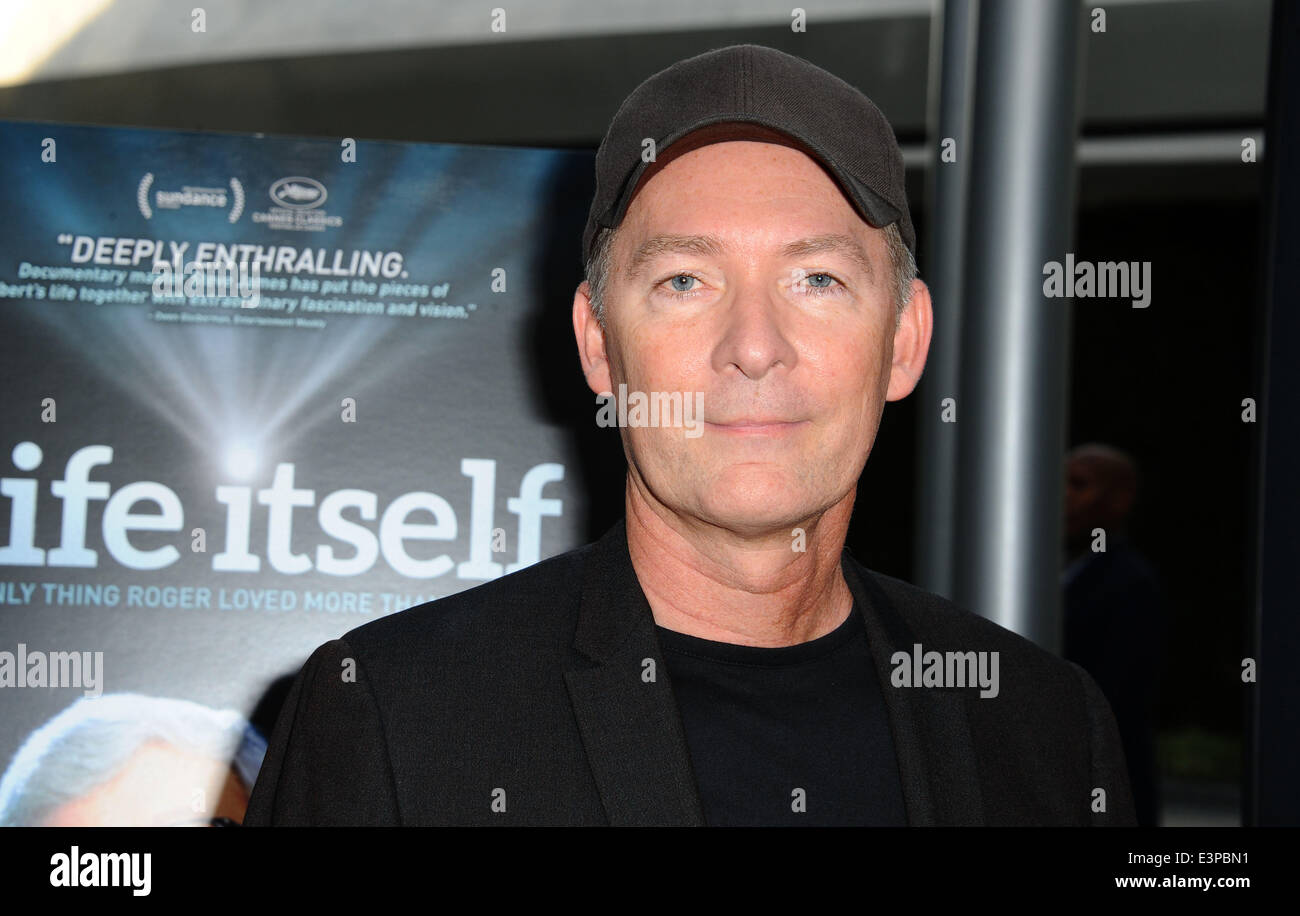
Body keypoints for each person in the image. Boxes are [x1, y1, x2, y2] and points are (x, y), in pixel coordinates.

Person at [244, 43, 1136, 826]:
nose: (754, 348)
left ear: (903, 343)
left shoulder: (1046, 727)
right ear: (599, 345)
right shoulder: (396, 717)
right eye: (684, 281)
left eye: (817, 279)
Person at [1063, 443, 1167, 826]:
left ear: (1120, 499)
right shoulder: (1054, 573)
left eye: (1079, 484)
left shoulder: (1129, 584)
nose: (1064, 496)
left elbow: (1117, 696)